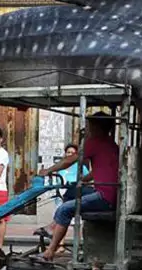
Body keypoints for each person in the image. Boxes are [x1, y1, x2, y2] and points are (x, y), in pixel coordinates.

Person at [37, 112, 119, 261]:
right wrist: (85, 179)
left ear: (96, 127)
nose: (86, 129)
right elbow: (103, 168)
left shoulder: (95, 142)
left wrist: (48, 170)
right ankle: (53, 225)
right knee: (71, 192)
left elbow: (70, 160)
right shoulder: (110, 144)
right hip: (110, 193)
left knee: (65, 209)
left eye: (88, 126)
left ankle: (50, 250)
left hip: (104, 196)